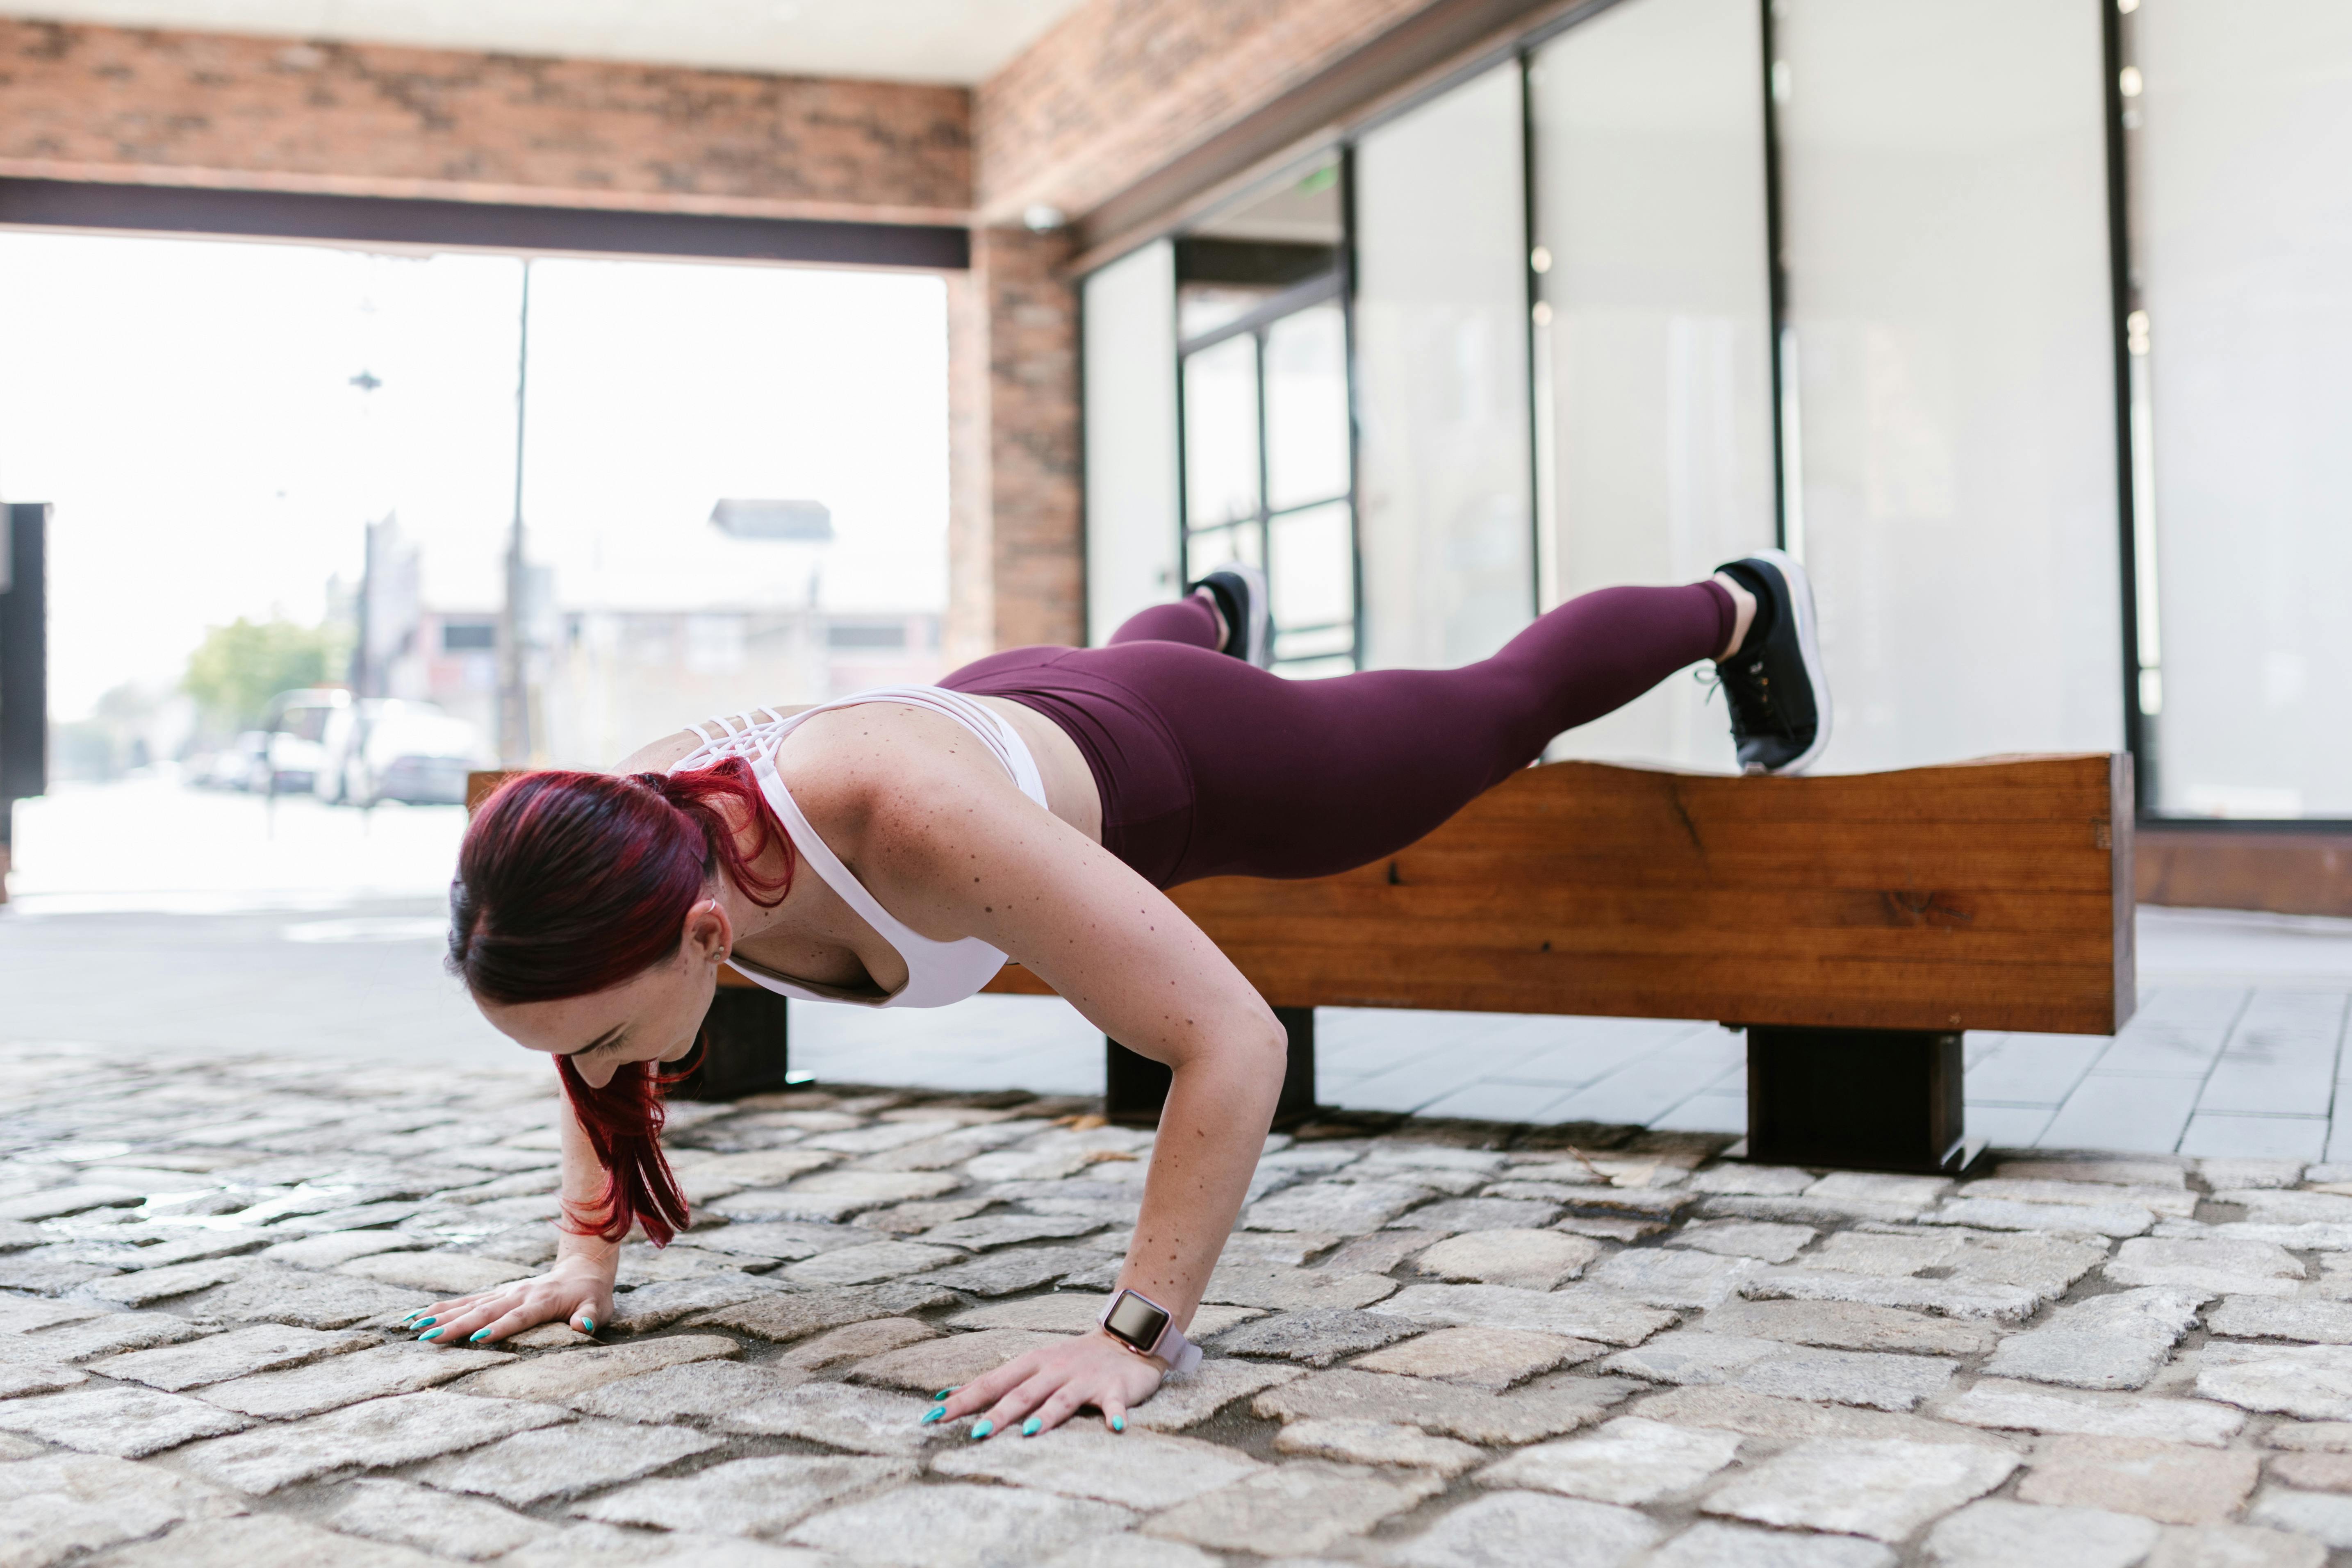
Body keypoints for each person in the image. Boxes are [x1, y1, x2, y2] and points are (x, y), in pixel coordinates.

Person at [417, 549, 1828, 1440]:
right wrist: (581, 1261)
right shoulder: (614, 854)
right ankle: (1204, 608)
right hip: (1008, 704)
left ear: (709, 931)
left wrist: (1131, 1333)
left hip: (1183, 754)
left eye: (603, 1038)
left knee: (1492, 709)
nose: (594, 1069)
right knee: (1097, 663)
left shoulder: (915, 827)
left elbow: (1229, 1040)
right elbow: (587, 1046)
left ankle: (1732, 601)